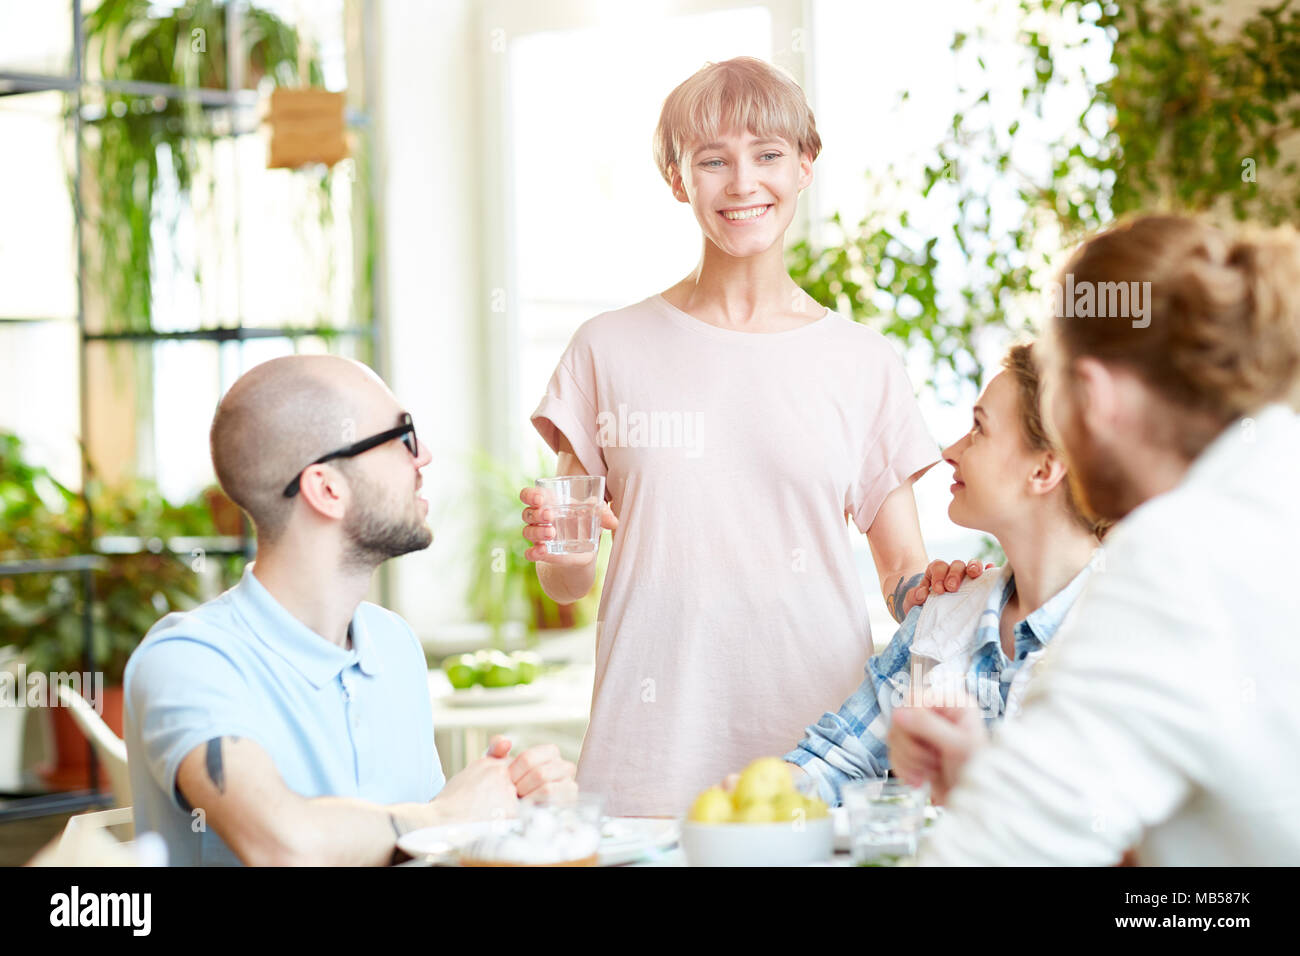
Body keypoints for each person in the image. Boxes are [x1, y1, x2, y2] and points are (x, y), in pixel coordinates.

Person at [519, 57, 982, 817]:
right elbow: (568, 582)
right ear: (677, 178)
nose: (742, 183)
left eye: (767, 155)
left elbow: (902, 569)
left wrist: (940, 593)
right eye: (713, 160)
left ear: (804, 166)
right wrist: (560, 549)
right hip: (649, 756)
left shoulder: (862, 360)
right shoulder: (607, 349)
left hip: (824, 756)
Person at [907, 214, 1300, 865]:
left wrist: (1004, 809)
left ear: (1090, 394)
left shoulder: (1177, 556)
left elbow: (985, 860)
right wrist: (997, 780)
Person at [124, 355, 576, 866]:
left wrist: (514, 806)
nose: (423, 455)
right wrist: (450, 815)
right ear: (326, 488)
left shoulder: (393, 644)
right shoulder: (190, 660)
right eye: (403, 436)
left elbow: (404, 847)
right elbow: (280, 846)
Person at [773, 343, 1106, 805]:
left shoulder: (1130, 632)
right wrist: (754, 802)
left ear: (1044, 468)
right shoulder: (943, 614)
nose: (950, 451)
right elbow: (841, 757)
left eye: (978, 429)